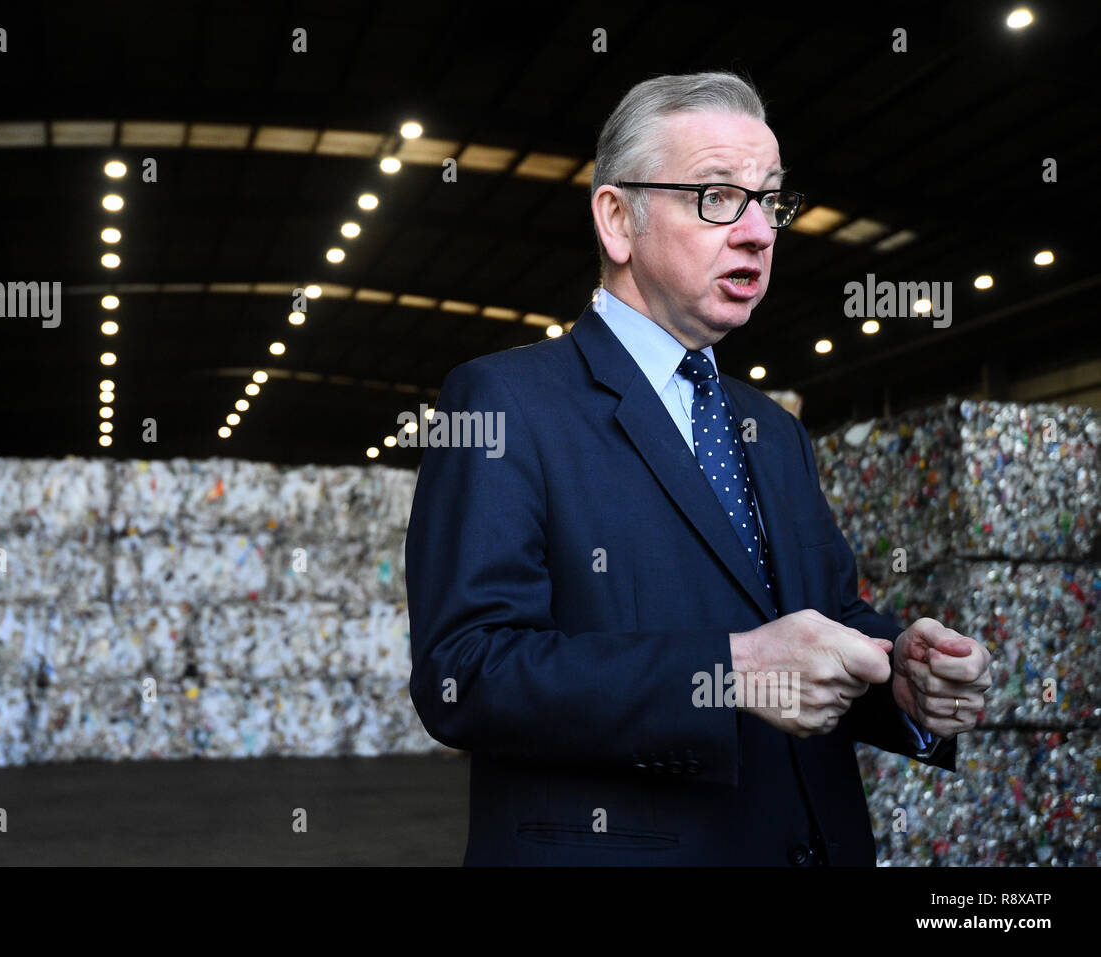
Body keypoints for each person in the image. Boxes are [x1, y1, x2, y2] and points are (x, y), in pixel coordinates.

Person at [403, 71, 992, 866]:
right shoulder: (505, 402)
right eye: (717, 196)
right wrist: (729, 671)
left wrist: (900, 675)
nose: (758, 231)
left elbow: (824, 617)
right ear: (617, 219)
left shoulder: (773, 430)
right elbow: (465, 674)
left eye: (771, 200)